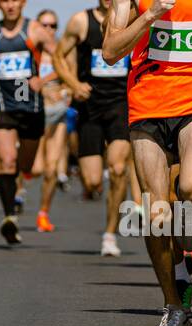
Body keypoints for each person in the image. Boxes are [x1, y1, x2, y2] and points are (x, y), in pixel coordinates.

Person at [103, 0, 192, 326]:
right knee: (157, 213)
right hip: (147, 106)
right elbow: (109, 51)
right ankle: (173, 305)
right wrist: (148, 16)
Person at [0, 0, 58, 245]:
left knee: (29, 166)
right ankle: (9, 217)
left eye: (15, 0)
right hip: (3, 107)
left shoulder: (35, 31)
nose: (10, 5)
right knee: (7, 161)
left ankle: (17, 186)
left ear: (23, 3)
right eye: (5, 0)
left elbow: (64, 59)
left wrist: (45, 80)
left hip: (32, 108)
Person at [56, 0, 136, 256]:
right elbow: (58, 55)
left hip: (121, 102)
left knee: (118, 167)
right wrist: (74, 83)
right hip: (89, 106)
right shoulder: (81, 21)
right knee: (91, 182)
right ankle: (100, 186)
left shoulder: (133, 15)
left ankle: (110, 234)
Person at [32, 8, 68, 232]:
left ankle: (43, 213)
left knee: (51, 169)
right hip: (35, 113)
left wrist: (64, 90)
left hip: (58, 113)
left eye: (52, 25)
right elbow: (21, 82)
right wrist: (42, 88)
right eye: (44, 25)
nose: (48, 29)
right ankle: (17, 189)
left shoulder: (62, 51)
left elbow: (73, 78)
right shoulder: (31, 50)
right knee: (35, 168)